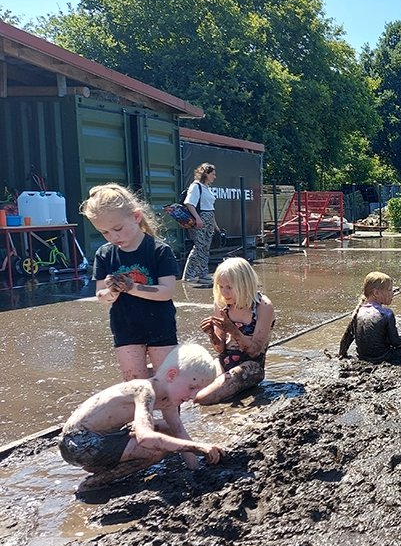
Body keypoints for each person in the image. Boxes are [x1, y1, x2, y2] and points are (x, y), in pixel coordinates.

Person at [58, 344, 224, 491]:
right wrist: (197, 447)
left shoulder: (168, 400)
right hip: (78, 442)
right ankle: (94, 483)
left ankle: (102, 465)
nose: (193, 396)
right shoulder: (145, 390)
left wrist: (197, 470)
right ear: (171, 375)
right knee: (155, 450)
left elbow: (178, 431)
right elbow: (145, 438)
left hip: (99, 438)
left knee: (168, 429)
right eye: (192, 387)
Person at [81, 183, 180, 381]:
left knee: (168, 383)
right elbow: (100, 295)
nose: (113, 237)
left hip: (161, 325)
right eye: (104, 232)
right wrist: (112, 293)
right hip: (124, 328)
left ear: (136, 217)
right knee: (135, 384)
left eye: (117, 228)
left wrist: (132, 287)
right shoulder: (104, 254)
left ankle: (171, 414)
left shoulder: (159, 250)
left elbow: (167, 292)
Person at [196, 257, 276, 404]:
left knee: (203, 397)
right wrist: (212, 334)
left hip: (251, 366)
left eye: (229, 287)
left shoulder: (263, 306)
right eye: (220, 287)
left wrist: (233, 331)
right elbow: (220, 349)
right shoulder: (222, 304)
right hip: (225, 359)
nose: (224, 293)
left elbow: (255, 351)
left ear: (244, 285)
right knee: (190, 386)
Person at [339, 272, 401, 362]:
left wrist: (342, 354)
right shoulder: (387, 314)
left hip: (362, 357)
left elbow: (345, 340)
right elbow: (396, 343)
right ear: (376, 293)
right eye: (389, 290)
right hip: (382, 357)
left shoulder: (357, 312)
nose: (393, 293)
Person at [182, 162, 221, 285]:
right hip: (200, 219)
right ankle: (195, 274)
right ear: (206, 174)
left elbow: (211, 207)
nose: (215, 176)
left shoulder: (207, 188)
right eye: (213, 174)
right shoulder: (196, 186)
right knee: (199, 247)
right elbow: (189, 203)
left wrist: (215, 226)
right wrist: (198, 218)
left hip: (209, 219)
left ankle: (196, 273)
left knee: (204, 247)